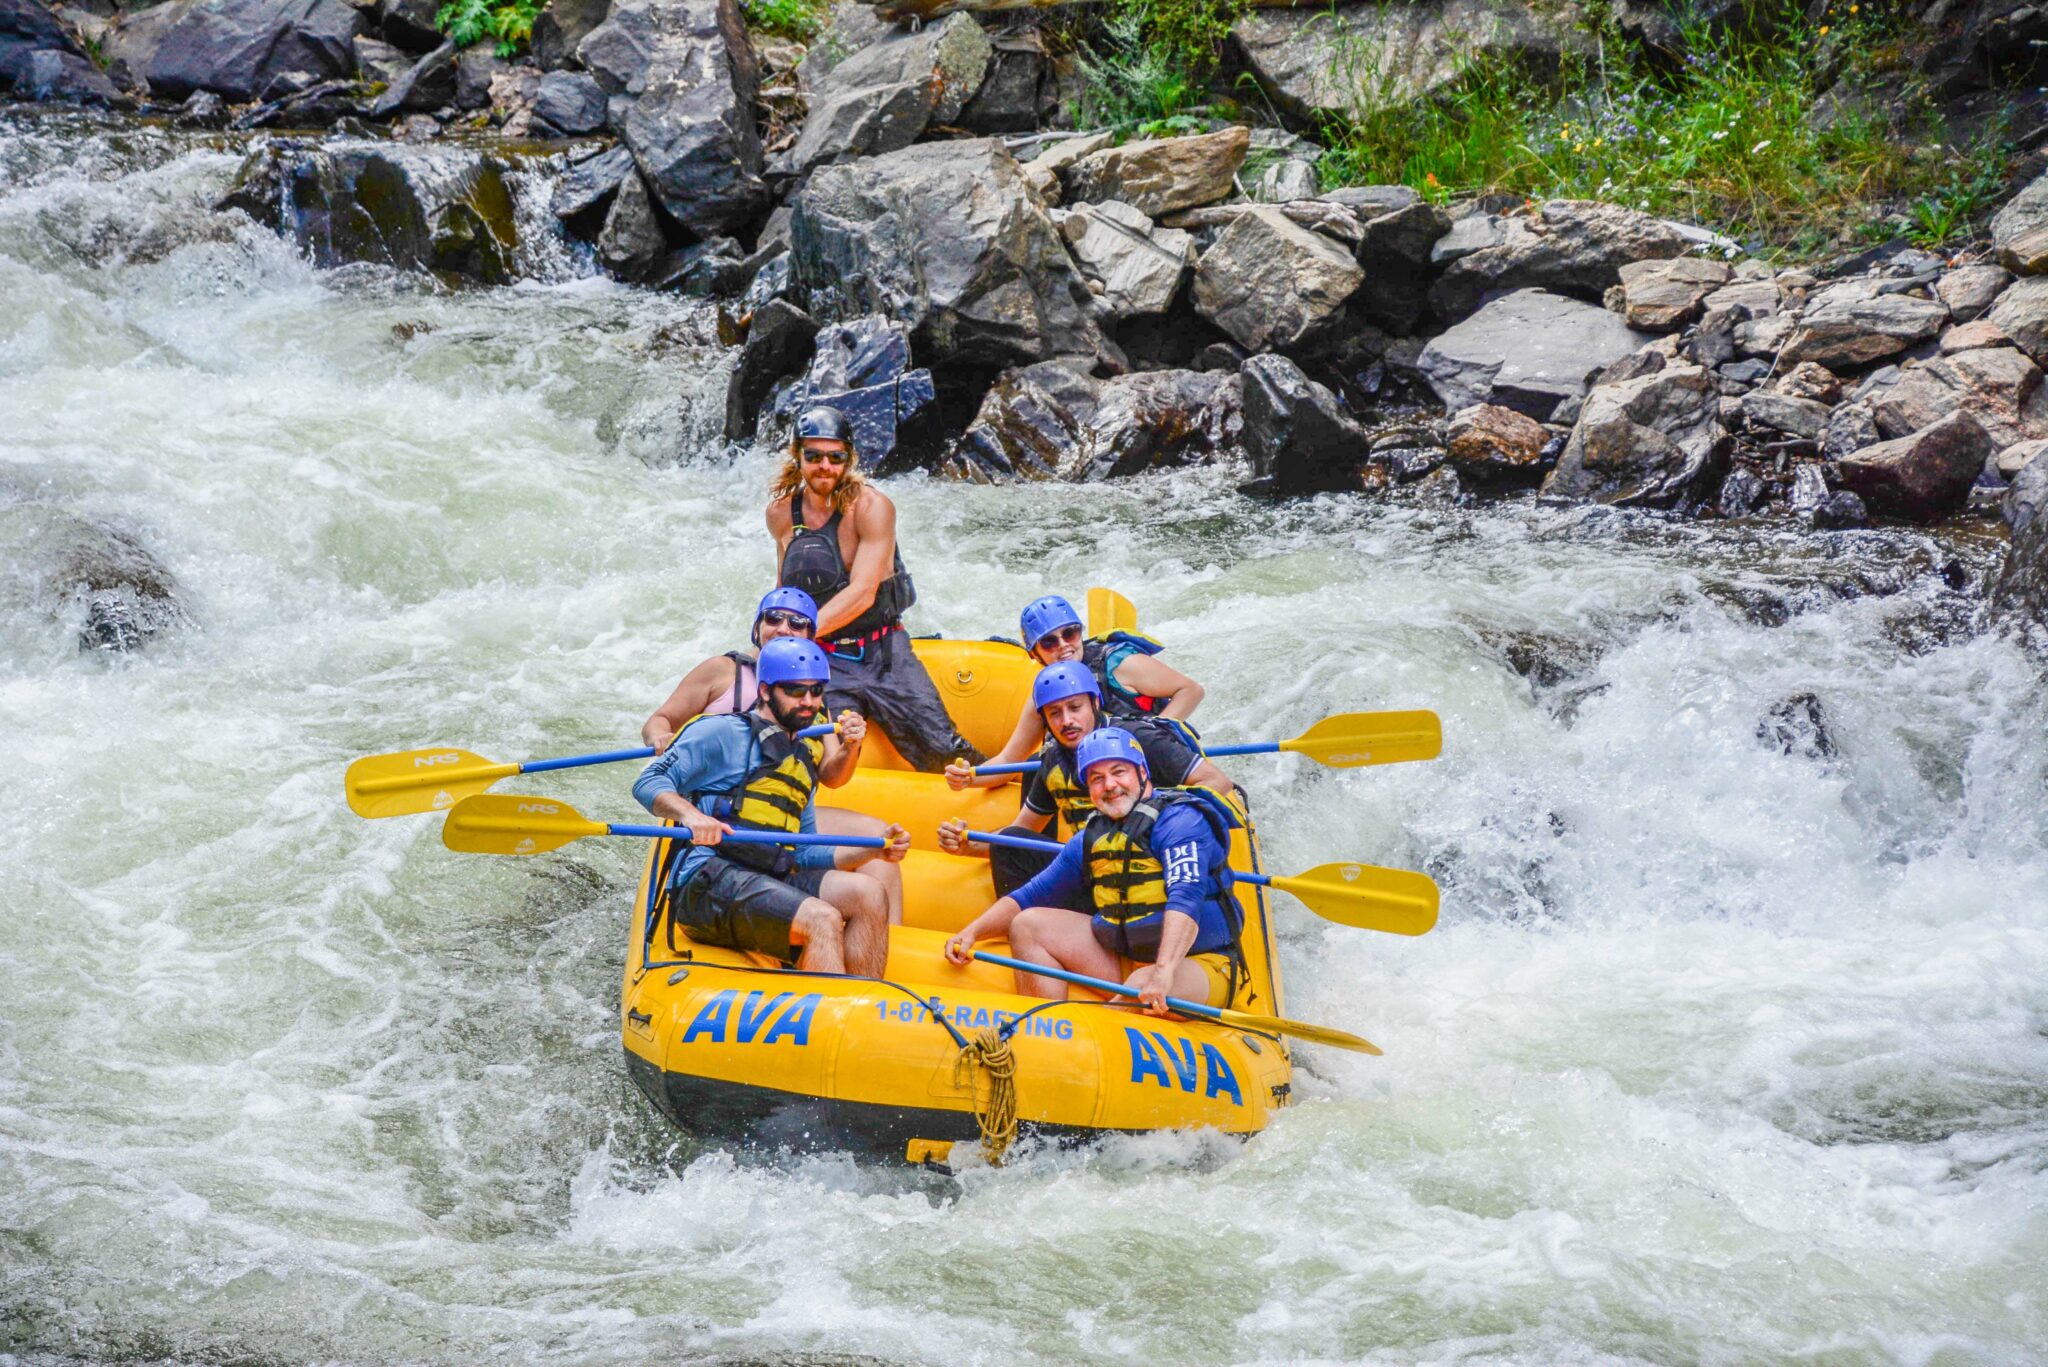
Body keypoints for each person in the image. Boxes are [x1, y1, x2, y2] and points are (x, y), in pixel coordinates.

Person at [633, 637, 908, 976]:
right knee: (822, 918)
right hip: (709, 882)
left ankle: (861, 1001)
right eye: (794, 690)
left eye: (816, 691)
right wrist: (691, 816)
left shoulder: (803, 756)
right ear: (764, 691)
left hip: (769, 875)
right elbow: (648, 781)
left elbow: (802, 852)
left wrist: (873, 852)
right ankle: (829, 1009)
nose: (808, 702)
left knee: (868, 893)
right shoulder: (722, 732)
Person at [944, 727, 1244, 1012]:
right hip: (1126, 958)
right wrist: (972, 932)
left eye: (1119, 772)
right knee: (1027, 924)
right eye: (1097, 778)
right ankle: (1046, 1025)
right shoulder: (1093, 836)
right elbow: (1033, 894)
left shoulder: (1181, 822)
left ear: (1142, 773)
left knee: (1139, 984)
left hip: (1199, 964)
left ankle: (1094, 1033)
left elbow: (1186, 898)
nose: (1109, 785)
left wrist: (1163, 971)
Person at [766, 405, 981, 773]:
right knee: (820, 758)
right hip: (824, 658)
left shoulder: (871, 508)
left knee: (943, 750)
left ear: (848, 459)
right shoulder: (781, 513)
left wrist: (798, 634)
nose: (824, 466)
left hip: (884, 652)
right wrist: (772, 640)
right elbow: (785, 589)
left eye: (835, 457)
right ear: (797, 456)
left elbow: (863, 593)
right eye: (814, 456)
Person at [936, 662, 1234, 900]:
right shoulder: (1053, 762)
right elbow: (1021, 832)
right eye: (1055, 713)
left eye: (1075, 707)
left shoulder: (1139, 739)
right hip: (1095, 872)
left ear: (1094, 703)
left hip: (1151, 867)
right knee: (1009, 847)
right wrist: (970, 844)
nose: (1066, 721)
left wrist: (1157, 826)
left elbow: (1217, 782)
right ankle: (1033, 930)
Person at [946, 594, 1206, 790]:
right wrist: (971, 777)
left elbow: (1190, 690)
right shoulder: (1047, 693)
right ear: (1035, 654)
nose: (1063, 645)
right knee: (1038, 767)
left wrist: (1152, 737)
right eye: (1049, 641)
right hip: (1098, 773)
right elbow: (1010, 759)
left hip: (1150, 762)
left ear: (1080, 632)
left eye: (1070, 633)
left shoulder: (1120, 664)